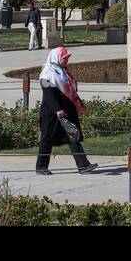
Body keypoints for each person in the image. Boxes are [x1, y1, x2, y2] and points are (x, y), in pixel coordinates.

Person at [35, 47, 98, 175]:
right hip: (52, 113)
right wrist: (57, 109)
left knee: (73, 136)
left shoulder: (63, 72)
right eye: (65, 58)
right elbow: (49, 94)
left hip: (67, 111)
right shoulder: (47, 73)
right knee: (47, 138)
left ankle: (83, 165)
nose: (67, 61)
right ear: (57, 58)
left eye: (67, 58)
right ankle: (41, 167)